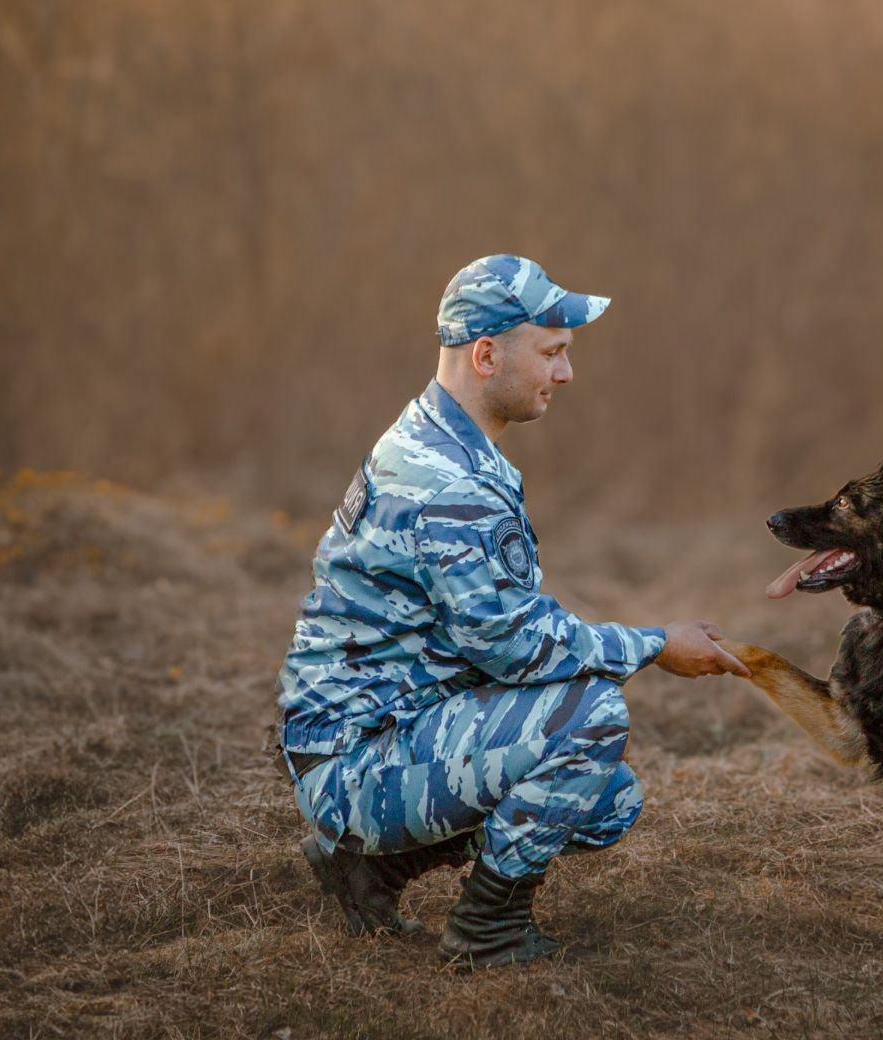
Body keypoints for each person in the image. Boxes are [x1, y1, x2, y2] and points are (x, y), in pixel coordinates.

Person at [276, 254, 749, 971]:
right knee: (590, 717)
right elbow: (512, 644)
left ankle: (368, 873)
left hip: (372, 734)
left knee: (606, 799)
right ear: (487, 354)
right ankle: (488, 931)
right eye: (552, 353)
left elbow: (492, 631)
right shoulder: (447, 483)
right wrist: (656, 645)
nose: (566, 375)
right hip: (353, 763)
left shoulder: (439, 442)